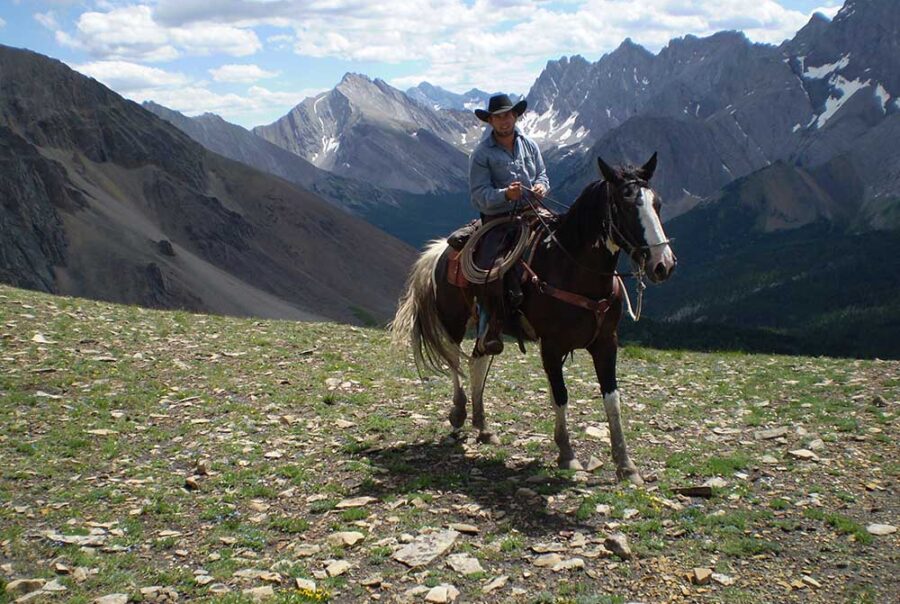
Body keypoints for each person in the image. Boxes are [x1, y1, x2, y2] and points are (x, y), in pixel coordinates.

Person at [468, 94, 550, 355]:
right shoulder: (482, 154)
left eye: (508, 115)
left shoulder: (530, 145)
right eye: (498, 117)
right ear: (490, 121)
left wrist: (541, 187)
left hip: (533, 212)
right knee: (492, 267)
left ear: (515, 116)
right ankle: (490, 326)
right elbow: (479, 195)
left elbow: (542, 174)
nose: (504, 121)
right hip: (499, 219)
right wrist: (506, 195)